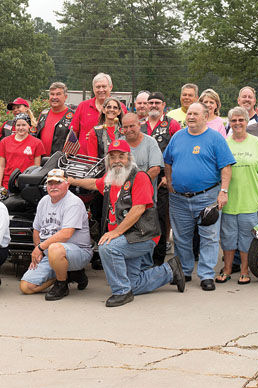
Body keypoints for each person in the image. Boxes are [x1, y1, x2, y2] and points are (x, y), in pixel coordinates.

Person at [69, 141, 186, 307]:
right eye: (113, 157)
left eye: (121, 156)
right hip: (127, 237)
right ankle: (170, 271)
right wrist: (72, 181)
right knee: (134, 283)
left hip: (142, 236)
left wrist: (116, 232)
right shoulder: (112, 178)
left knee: (107, 247)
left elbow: (138, 209)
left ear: (129, 158)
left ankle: (121, 292)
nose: (117, 160)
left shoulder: (139, 177)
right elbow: (94, 184)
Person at [164, 102, 235, 291]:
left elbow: (226, 167)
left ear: (205, 116)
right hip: (179, 198)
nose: (191, 117)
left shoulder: (215, 138)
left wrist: (224, 191)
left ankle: (206, 275)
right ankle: (185, 271)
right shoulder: (178, 137)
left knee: (209, 237)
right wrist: (170, 182)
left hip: (207, 197)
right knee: (181, 238)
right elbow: (168, 162)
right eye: (189, 114)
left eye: (196, 114)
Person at [218, 107, 258, 285]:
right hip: (229, 200)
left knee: (247, 237)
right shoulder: (224, 143)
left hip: (250, 198)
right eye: (233, 120)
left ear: (246, 121)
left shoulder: (256, 142)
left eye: (241, 120)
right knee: (227, 237)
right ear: (229, 123)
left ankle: (244, 270)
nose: (237, 124)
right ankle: (227, 269)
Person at [19, 169, 92, 300]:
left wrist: (40, 247)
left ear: (67, 184)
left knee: (55, 248)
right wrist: (39, 250)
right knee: (26, 287)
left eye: (58, 183)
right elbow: (36, 229)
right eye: (50, 183)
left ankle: (62, 285)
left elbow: (66, 234)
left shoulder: (73, 202)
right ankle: (68, 274)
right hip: (49, 253)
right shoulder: (44, 201)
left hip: (77, 252)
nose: (53, 187)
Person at [141, 91, 181, 264]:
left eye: (158, 102)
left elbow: (179, 153)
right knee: (142, 216)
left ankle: (158, 258)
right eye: (151, 103)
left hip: (163, 181)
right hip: (142, 179)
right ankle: (143, 255)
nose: (154, 105)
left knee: (161, 219)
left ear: (164, 105)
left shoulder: (172, 125)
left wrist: (169, 177)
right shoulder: (140, 124)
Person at [122, 112, 165, 263]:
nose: (128, 130)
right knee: (127, 237)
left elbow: (155, 169)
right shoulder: (119, 143)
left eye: (132, 126)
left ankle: (148, 268)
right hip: (124, 203)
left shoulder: (150, 142)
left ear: (139, 125)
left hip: (146, 202)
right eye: (125, 127)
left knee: (145, 236)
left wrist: (136, 187)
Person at [67, 73, 124, 157]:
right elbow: (73, 132)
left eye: (104, 86)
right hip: (83, 160)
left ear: (110, 87)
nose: (101, 90)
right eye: (98, 87)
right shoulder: (83, 106)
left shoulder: (120, 107)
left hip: (110, 160)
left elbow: (124, 132)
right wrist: (67, 155)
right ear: (93, 89)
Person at [0, 114, 45, 188]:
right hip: (8, 183)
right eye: (18, 125)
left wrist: (34, 185)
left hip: (27, 183)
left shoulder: (37, 143)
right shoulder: (4, 142)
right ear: (14, 127)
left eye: (24, 125)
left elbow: (36, 168)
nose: (21, 128)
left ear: (29, 126)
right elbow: (1, 166)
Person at [36, 82, 77, 155]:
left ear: (65, 97)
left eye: (58, 94)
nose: (54, 97)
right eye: (52, 94)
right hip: (41, 161)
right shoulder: (43, 114)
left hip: (61, 162)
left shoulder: (74, 116)